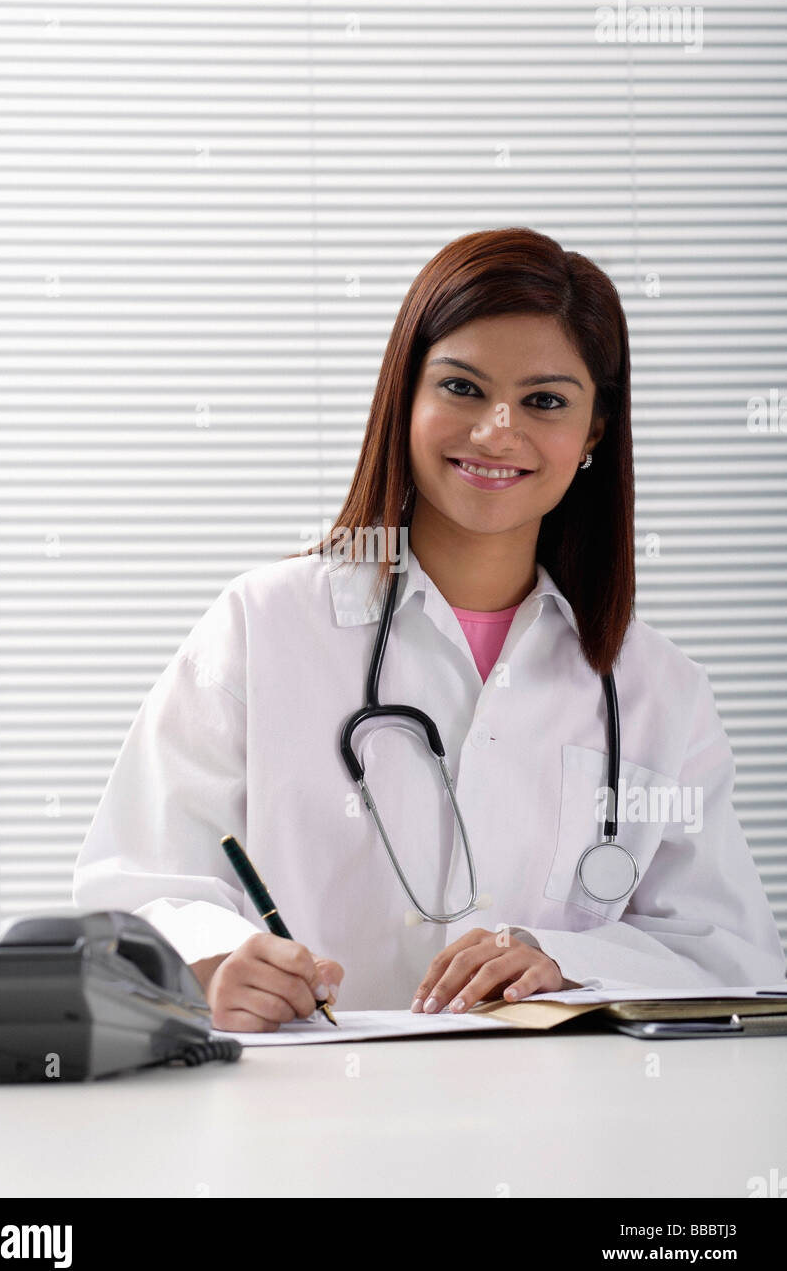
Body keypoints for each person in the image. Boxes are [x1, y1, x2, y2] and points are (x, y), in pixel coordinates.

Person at [72, 227, 786, 1032]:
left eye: (545, 401)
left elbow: (734, 956)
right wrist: (213, 960)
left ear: (592, 433)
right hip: (306, 1121)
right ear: (404, 396)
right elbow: (133, 881)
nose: (496, 431)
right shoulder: (262, 626)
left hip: (568, 1131)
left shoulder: (659, 688)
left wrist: (570, 962)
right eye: (462, 388)